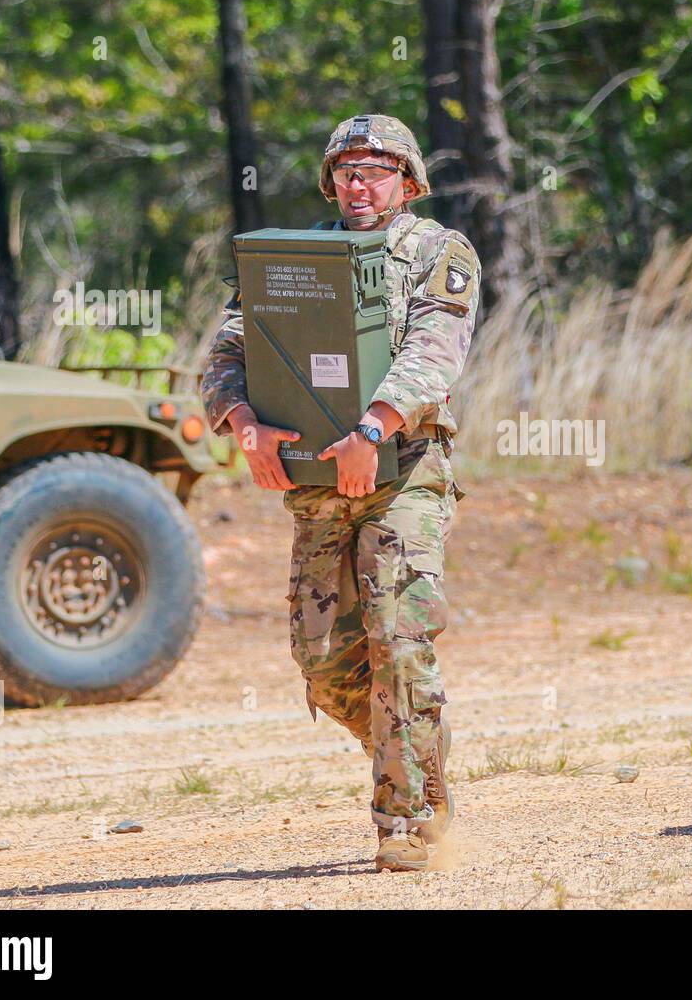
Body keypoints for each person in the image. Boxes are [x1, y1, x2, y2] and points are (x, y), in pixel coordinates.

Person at [200, 114, 481, 870]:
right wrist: (244, 423)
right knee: (321, 663)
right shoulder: (294, 257)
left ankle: (409, 816)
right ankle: (411, 748)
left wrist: (372, 432)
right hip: (319, 482)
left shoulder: (438, 252)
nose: (360, 184)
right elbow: (229, 350)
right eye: (347, 171)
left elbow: (433, 354)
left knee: (399, 640)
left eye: (376, 170)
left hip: (405, 473)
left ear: (408, 181)